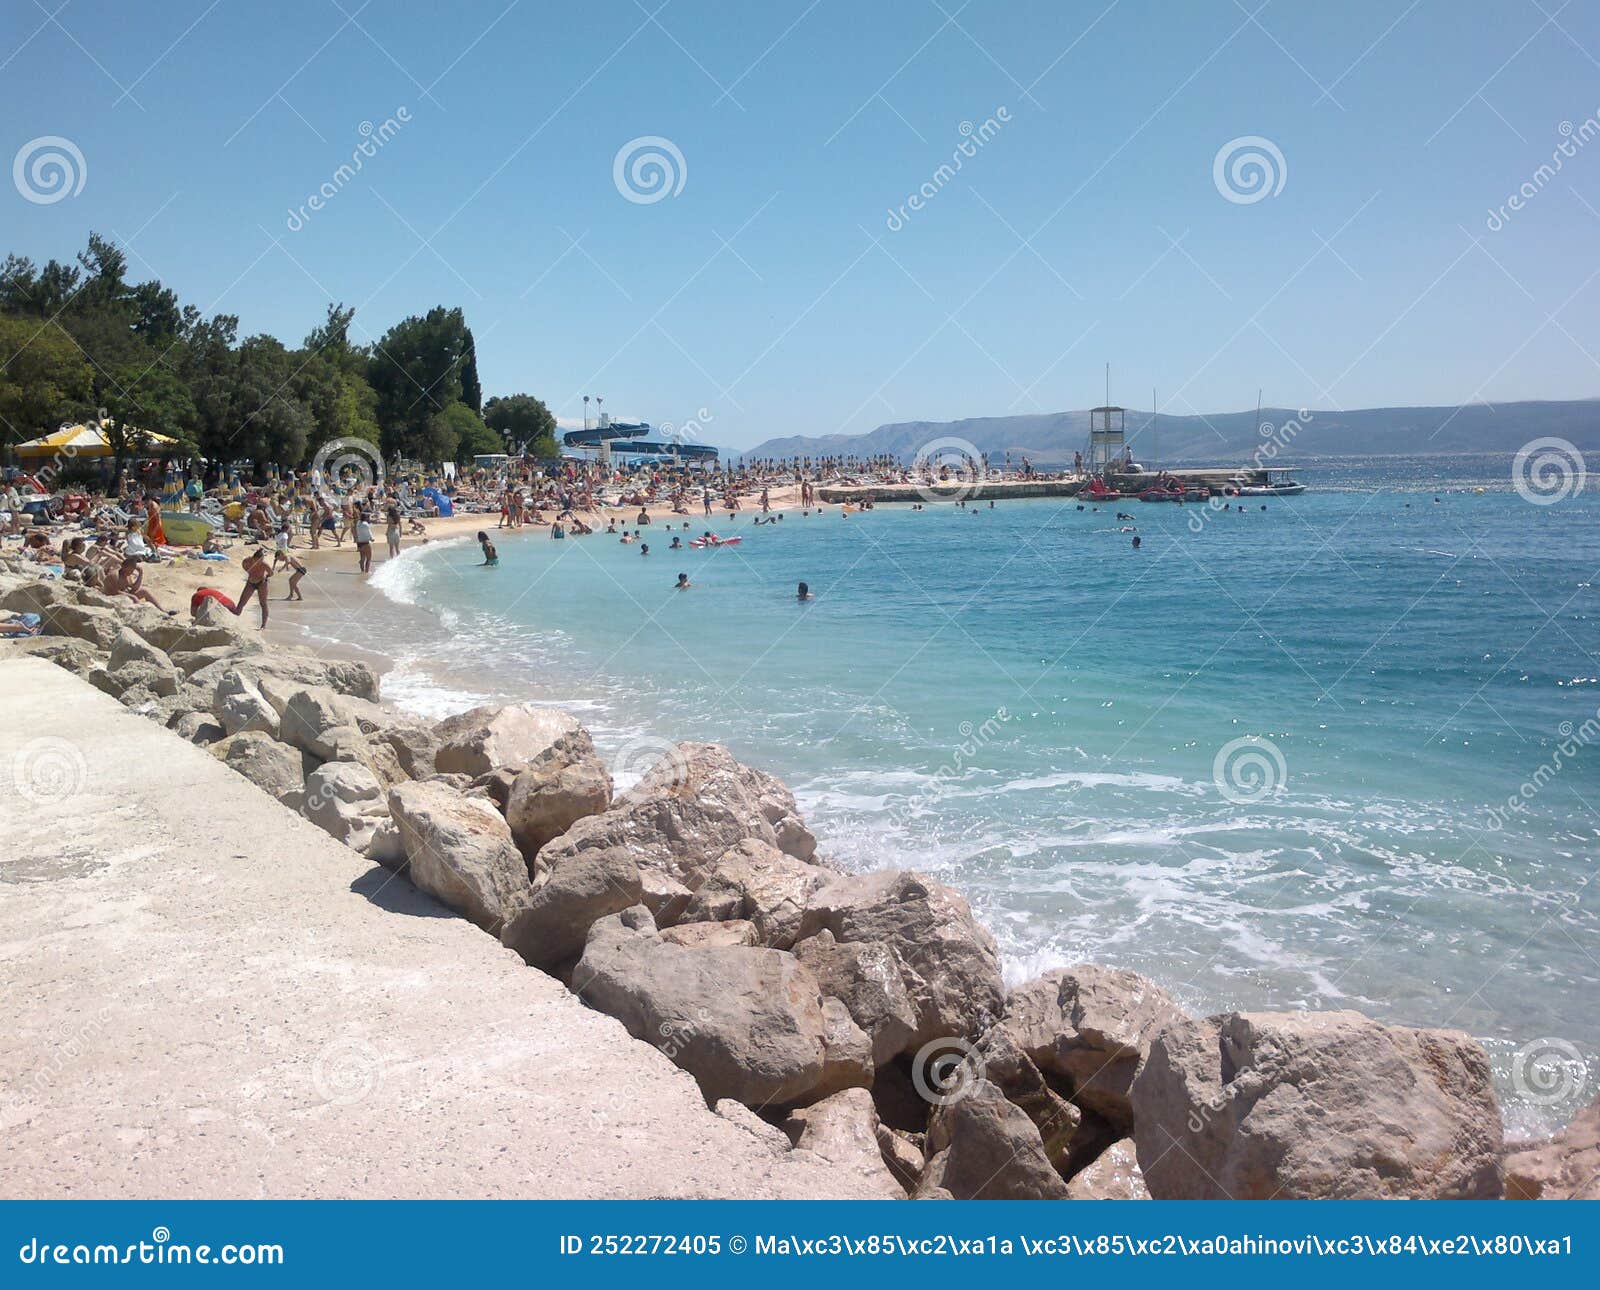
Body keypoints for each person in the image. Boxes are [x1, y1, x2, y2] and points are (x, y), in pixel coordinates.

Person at [234, 547, 273, 625]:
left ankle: (263, 625)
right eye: (258, 560)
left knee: (263, 603)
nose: (260, 562)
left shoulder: (264, 564)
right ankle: (236, 617)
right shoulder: (247, 561)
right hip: (251, 583)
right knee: (242, 602)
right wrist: (249, 572)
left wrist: (266, 576)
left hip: (262, 583)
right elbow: (243, 564)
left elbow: (271, 573)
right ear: (254, 558)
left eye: (262, 560)